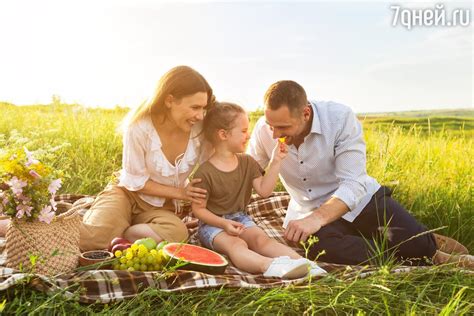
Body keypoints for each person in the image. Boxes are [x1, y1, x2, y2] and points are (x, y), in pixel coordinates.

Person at [247, 80, 472, 267]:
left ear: (305, 113)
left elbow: (354, 184)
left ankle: (427, 246)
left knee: (417, 243)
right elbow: (249, 171)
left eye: (283, 128)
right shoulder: (265, 129)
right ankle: (407, 255)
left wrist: (317, 219)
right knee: (321, 250)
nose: (275, 134)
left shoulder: (339, 118)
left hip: (360, 200)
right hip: (308, 210)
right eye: (270, 126)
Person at [79, 66, 215, 251]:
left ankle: (123, 230)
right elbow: (135, 181)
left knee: (178, 234)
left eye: (203, 108)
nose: (200, 115)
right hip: (126, 194)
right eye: (195, 107)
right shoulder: (139, 127)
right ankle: (114, 221)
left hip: (160, 208)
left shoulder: (199, 130)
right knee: (92, 242)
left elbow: (213, 166)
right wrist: (182, 193)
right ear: (170, 101)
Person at [191, 102, 326, 279]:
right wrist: (224, 224)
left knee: (261, 240)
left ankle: (305, 264)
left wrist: (277, 160)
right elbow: (198, 210)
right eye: (243, 131)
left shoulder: (247, 162)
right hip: (213, 225)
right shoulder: (204, 172)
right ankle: (270, 266)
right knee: (236, 245)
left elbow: (264, 191)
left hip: (240, 218)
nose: (248, 136)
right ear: (223, 134)